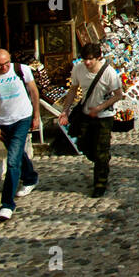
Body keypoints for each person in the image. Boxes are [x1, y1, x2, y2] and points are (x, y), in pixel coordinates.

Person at [0, 49, 41, 222]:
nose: (4, 68)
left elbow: (34, 92)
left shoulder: (21, 70)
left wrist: (36, 115)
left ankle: (6, 205)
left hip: (22, 118)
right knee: (18, 153)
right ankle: (30, 178)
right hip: (3, 122)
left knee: (12, 161)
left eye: (6, 64)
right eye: (0, 65)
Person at [58, 43, 125, 197]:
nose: (87, 63)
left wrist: (100, 107)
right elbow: (73, 90)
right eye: (84, 59)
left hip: (104, 117)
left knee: (101, 150)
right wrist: (65, 111)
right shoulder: (78, 69)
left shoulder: (109, 73)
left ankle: (100, 183)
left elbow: (118, 94)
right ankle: (103, 160)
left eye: (90, 59)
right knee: (83, 144)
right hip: (86, 114)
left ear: (98, 58)